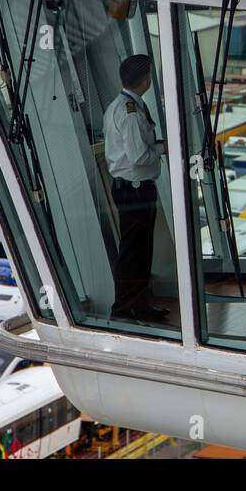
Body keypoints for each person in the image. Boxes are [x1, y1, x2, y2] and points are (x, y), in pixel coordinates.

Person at [103, 54, 168, 323]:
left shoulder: (124, 105)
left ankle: (139, 305)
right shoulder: (129, 112)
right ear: (145, 79)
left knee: (140, 252)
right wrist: (164, 149)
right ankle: (123, 310)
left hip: (133, 188)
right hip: (135, 189)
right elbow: (139, 156)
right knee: (133, 253)